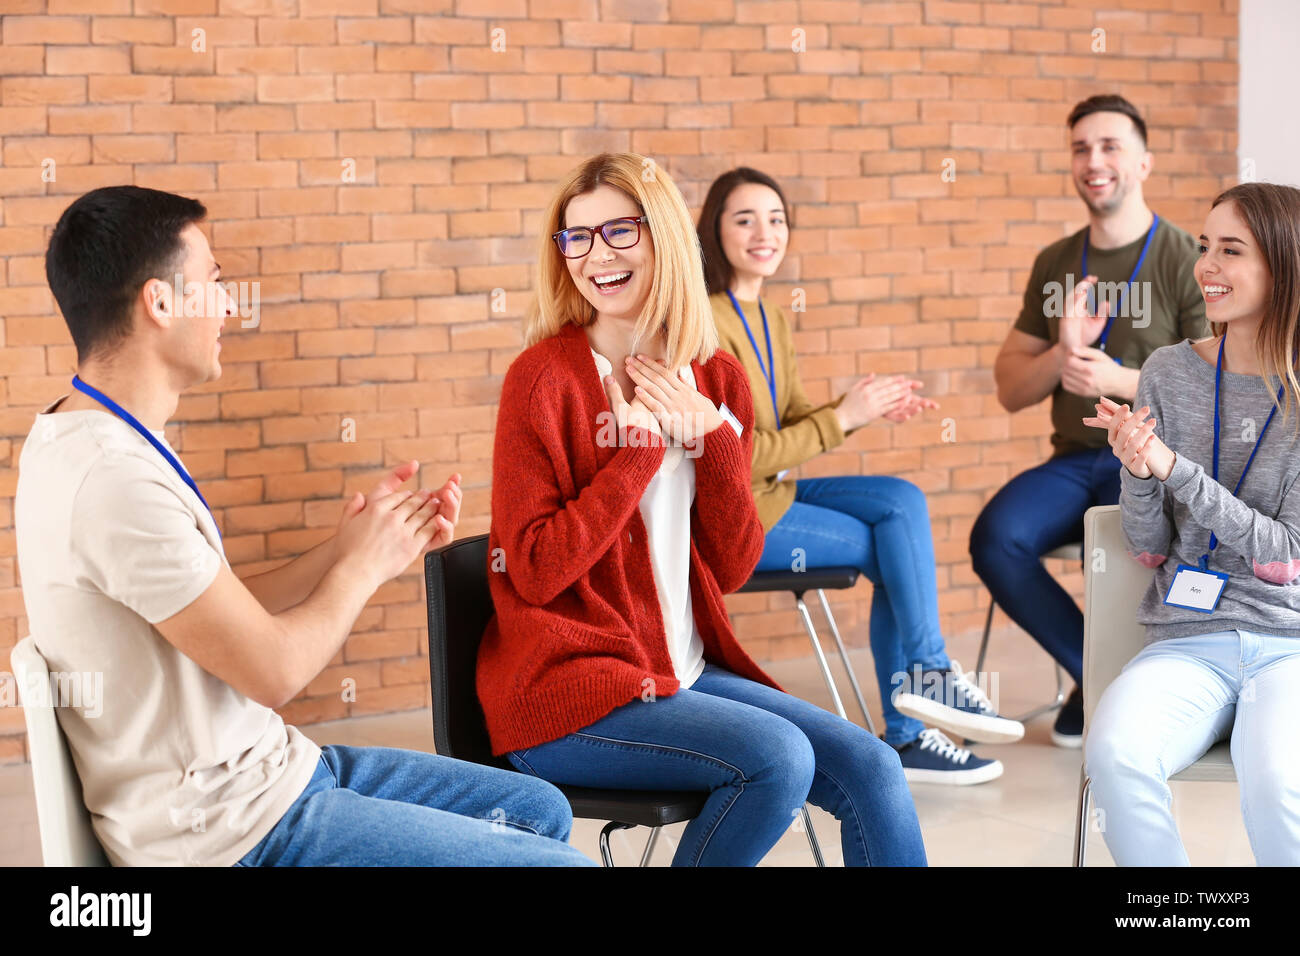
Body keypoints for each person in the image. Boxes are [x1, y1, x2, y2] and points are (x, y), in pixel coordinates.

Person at [15, 185, 595, 867]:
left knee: (540, 811)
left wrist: (340, 549)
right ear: (160, 302)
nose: (230, 306)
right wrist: (364, 568)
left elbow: (213, 606)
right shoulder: (112, 482)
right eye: (215, 281)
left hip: (273, 769)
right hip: (233, 833)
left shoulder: (79, 434)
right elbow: (275, 670)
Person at [478, 153, 927, 865]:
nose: (597, 256)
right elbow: (532, 571)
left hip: (680, 671)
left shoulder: (717, 376)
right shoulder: (543, 381)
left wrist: (714, 439)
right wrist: (632, 459)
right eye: (578, 238)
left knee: (872, 767)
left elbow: (734, 565)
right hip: (569, 697)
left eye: (620, 232)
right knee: (777, 758)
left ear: (665, 240)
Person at [695, 167, 1024, 786]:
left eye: (776, 218)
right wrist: (842, 418)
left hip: (774, 492)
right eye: (744, 219)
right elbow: (732, 459)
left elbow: (791, 421)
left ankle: (923, 698)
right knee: (891, 546)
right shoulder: (707, 325)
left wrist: (860, 406)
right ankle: (916, 714)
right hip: (740, 517)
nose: (765, 232)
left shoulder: (770, 317)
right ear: (714, 231)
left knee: (901, 501)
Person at [971, 94, 1210, 747]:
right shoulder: (1056, 262)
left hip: (1147, 457)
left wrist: (1120, 380)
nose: (1093, 160)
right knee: (997, 540)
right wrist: (1060, 357)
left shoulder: (1186, 258)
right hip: (1074, 458)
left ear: (1143, 161)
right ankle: (1097, 675)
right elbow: (1009, 389)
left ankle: (1132, 690)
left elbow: (1217, 390)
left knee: (1132, 546)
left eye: (1109, 146)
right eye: (1081, 147)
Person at [1082, 181, 1300, 865]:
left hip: (1291, 642)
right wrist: (1140, 472)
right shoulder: (1168, 371)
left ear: (1284, 266)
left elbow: (1285, 556)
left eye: (1230, 250)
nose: (1206, 266)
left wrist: (1172, 469)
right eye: (1205, 246)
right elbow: (1147, 547)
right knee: (1114, 755)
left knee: (1277, 784)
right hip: (1188, 635)